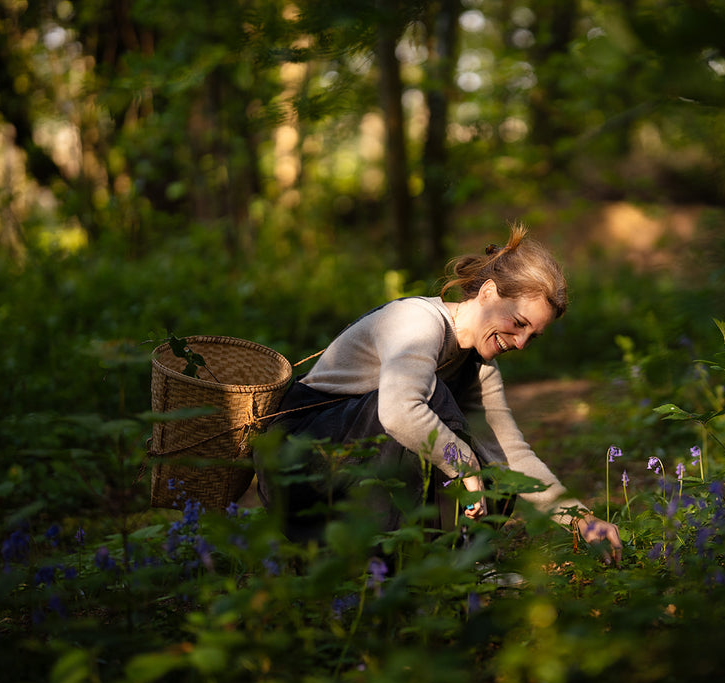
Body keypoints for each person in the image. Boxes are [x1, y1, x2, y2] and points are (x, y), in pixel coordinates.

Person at [255, 223, 622, 563]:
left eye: (533, 336)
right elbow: (399, 412)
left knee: (498, 469)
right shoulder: (417, 322)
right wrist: (463, 463)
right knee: (432, 403)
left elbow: (512, 455)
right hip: (302, 462)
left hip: (356, 462)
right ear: (490, 293)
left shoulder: (479, 366)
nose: (522, 343)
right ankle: (375, 568)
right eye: (518, 323)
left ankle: (442, 568)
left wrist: (579, 519)